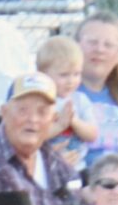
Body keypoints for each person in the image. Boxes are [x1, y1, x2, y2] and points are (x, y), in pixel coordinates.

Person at [0, 71, 80, 205]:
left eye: (42, 112)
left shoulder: (56, 163)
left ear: (53, 119)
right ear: (4, 112)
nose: (33, 119)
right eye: (23, 110)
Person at [75, 12, 118, 155]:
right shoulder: (62, 95)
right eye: (92, 42)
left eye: (108, 45)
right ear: (76, 46)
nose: (99, 50)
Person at [35, 36, 97, 172]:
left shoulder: (80, 100)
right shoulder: (39, 101)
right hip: (47, 168)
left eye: (76, 74)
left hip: (78, 168)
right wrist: (60, 125)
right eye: (64, 75)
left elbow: (92, 134)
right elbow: (36, 136)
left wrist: (74, 121)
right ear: (42, 74)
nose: (71, 81)